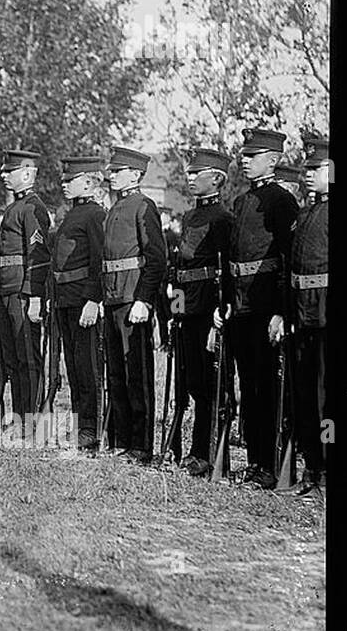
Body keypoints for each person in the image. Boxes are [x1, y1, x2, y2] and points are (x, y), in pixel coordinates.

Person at [215, 127, 299, 489]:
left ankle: (270, 464)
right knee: (248, 387)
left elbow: (288, 260)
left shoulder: (282, 201)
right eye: (244, 155)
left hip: (266, 309)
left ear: (274, 160)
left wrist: (282, 311)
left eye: (252, 156)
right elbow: (231, 261)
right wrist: (226, 304)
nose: (244, 161)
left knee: (267, 388)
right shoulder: (241, 201)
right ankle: (254, 461)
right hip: (241, 308)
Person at [166, 147, 233, 476]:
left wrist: (218, 318)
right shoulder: (189, 217)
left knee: (209, 386)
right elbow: (179, 270)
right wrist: (175, 313)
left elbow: (226, 272)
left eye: (197, 173)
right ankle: (189, 451)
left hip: (208, 312)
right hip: (187, 311)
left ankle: (206, 453)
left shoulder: (223, 219)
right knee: (190, 382)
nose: (190, 178)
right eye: (189, 173)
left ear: (216, 179)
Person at [101, 145, 167, 461]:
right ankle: (120, 439)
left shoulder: (144, 206)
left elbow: (156, 259)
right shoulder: (115, 207)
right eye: (112, 170)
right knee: (115, 373)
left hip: (132, 301)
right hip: (112, 298)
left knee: (136, 374)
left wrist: (144, 300)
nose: (111, 175)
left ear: (136, 175)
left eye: (118, 171)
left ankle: (141, 445)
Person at [0, 149, 50, 444]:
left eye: (10, 171)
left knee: (28, 359)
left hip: (22, 293)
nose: (4, 175)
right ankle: (18, 418)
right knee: (11, 360)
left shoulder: (33, 208)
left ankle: (32, 421)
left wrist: (34, 296)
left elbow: (38, 256)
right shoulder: (15, 207)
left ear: (27, 174)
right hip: (6, 290)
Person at [285, 132, 329, 497]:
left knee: (327, 397)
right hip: (303, 312)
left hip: (328, 313)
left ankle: (328, 469)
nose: (308, 174)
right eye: (308, 169)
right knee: (304, 394)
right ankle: (312, 468)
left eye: (317, 168)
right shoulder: (305, 214)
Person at [53, 156, 106, 452]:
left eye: (69, 180)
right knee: (74, 366)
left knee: (88, 368)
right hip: (66, 299)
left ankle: (91, 428)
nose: (64, 184)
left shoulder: (95, 215)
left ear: (88, 183)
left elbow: (99, 260)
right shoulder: (72, 214)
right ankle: (79, 425)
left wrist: (93, 299)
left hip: (83, 300)